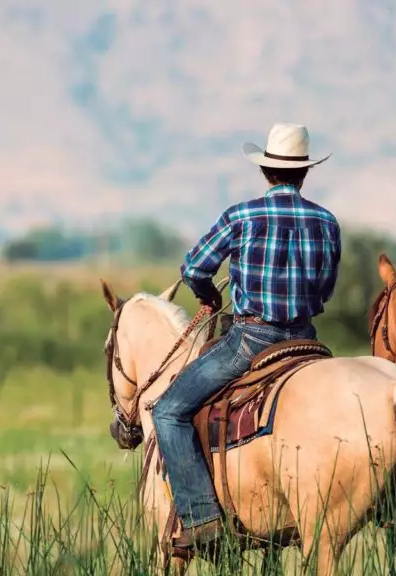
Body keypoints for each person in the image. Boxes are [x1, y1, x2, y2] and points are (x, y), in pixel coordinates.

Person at [150, 122, 342, 550]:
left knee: (168, 412)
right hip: (307, 342)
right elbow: (326, 288)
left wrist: (209, 298)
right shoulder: (327, 221)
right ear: (305, 172)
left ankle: (201, 519)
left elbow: (195, 268)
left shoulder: (241, 215)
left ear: (266, 171)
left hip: (252, 339)